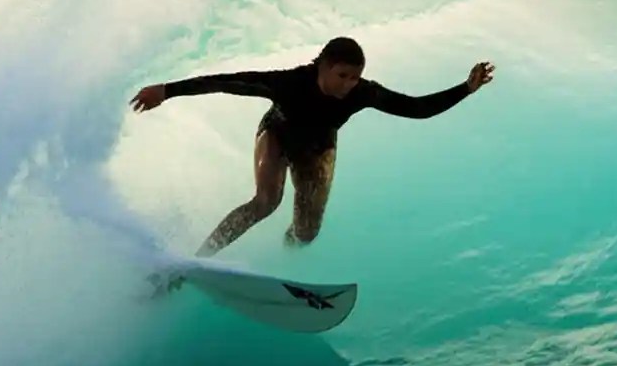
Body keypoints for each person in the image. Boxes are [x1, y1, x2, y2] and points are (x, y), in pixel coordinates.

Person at [129, 36, 495, 257]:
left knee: (306, 233)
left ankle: (285, 268)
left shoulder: (363, 93)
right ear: (323, 66)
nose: (349, 84)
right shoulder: (290, 83)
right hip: (277, 135)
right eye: (342, 75)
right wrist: (167, 90)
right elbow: (230, 81)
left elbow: (417, 109)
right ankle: (201, 258)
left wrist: (465, 88)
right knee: (266, 202)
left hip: (318, 150)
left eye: (355, 76)